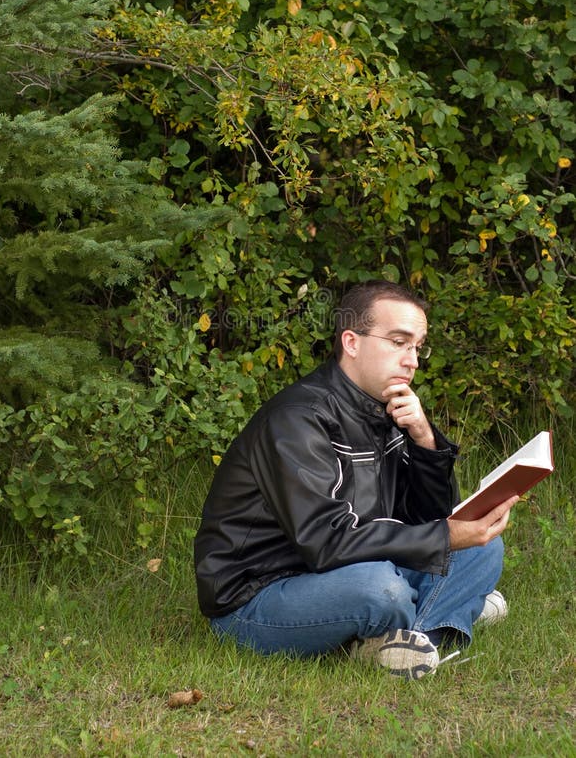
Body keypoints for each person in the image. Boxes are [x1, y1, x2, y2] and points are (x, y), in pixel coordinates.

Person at [194, 280, 516, 679]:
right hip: (259, 596)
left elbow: (429, 517)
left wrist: (425, 442)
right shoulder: (297, 419)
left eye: (417, 347)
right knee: (382, 589)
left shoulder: (389, 409)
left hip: (349, 567)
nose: (412, 360)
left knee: (482, 550)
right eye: (399, 342)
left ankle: (411, 641)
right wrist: (446, 536)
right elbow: (325, 543)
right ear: (351, 342)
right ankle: (447, 609)